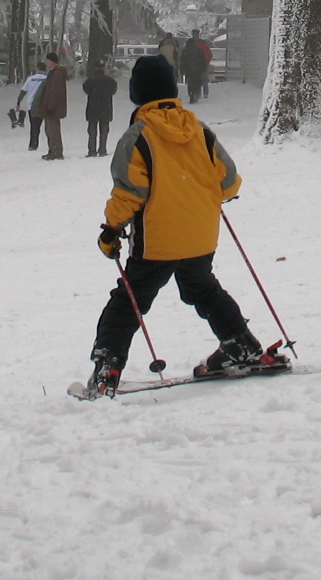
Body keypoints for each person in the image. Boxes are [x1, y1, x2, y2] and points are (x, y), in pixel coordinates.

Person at [82, 55, 282, 396]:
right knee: (203, 289)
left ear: (137, 94)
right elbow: (229, 182)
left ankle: (108, 367)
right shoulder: (200, 132)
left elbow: (130, 192)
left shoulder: (138, 137)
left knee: (130, 299)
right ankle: (241, 345)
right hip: (201, 235)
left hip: (158, 240)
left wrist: (111, 230)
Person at [35, 50, 69, 160]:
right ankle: (52, 150)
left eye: (47, 60)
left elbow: (54, 91)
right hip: (50, 106)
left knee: (53, 130)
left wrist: (50, 106)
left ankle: (56, 151)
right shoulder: (53, 73)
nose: (46, 63)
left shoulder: (57, 73)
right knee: (49, 130)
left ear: (52, 61)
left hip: (53, 108)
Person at [80, 60, 117, 156]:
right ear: (104, 68)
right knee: (104, 131)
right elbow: (113, 91)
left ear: (95, 69)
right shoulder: (110, 81)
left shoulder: (89, 81)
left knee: (92, 131)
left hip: (93, 108)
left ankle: (92, 150)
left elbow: (86, 90)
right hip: (106, 107)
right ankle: (102, 149)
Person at [16, 65, 48, 151]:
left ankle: (33, 144)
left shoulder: (30, 79)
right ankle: (50, 143)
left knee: (34, 126)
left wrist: (18, 102)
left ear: (37, 68)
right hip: (44, 105)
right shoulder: (47, 78)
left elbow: (23, 92)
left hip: (31, 105)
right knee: (46, 124)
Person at [178, 30, 212, 104]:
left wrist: (182, 71)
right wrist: (204, 67)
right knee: (197, 82)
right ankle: (197, 93)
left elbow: (182, 61)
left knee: (190, 83)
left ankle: (192, 95)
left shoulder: (185, 50)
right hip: (198, 69)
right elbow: (203, 59)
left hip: (188, 70)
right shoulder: (199, 49)